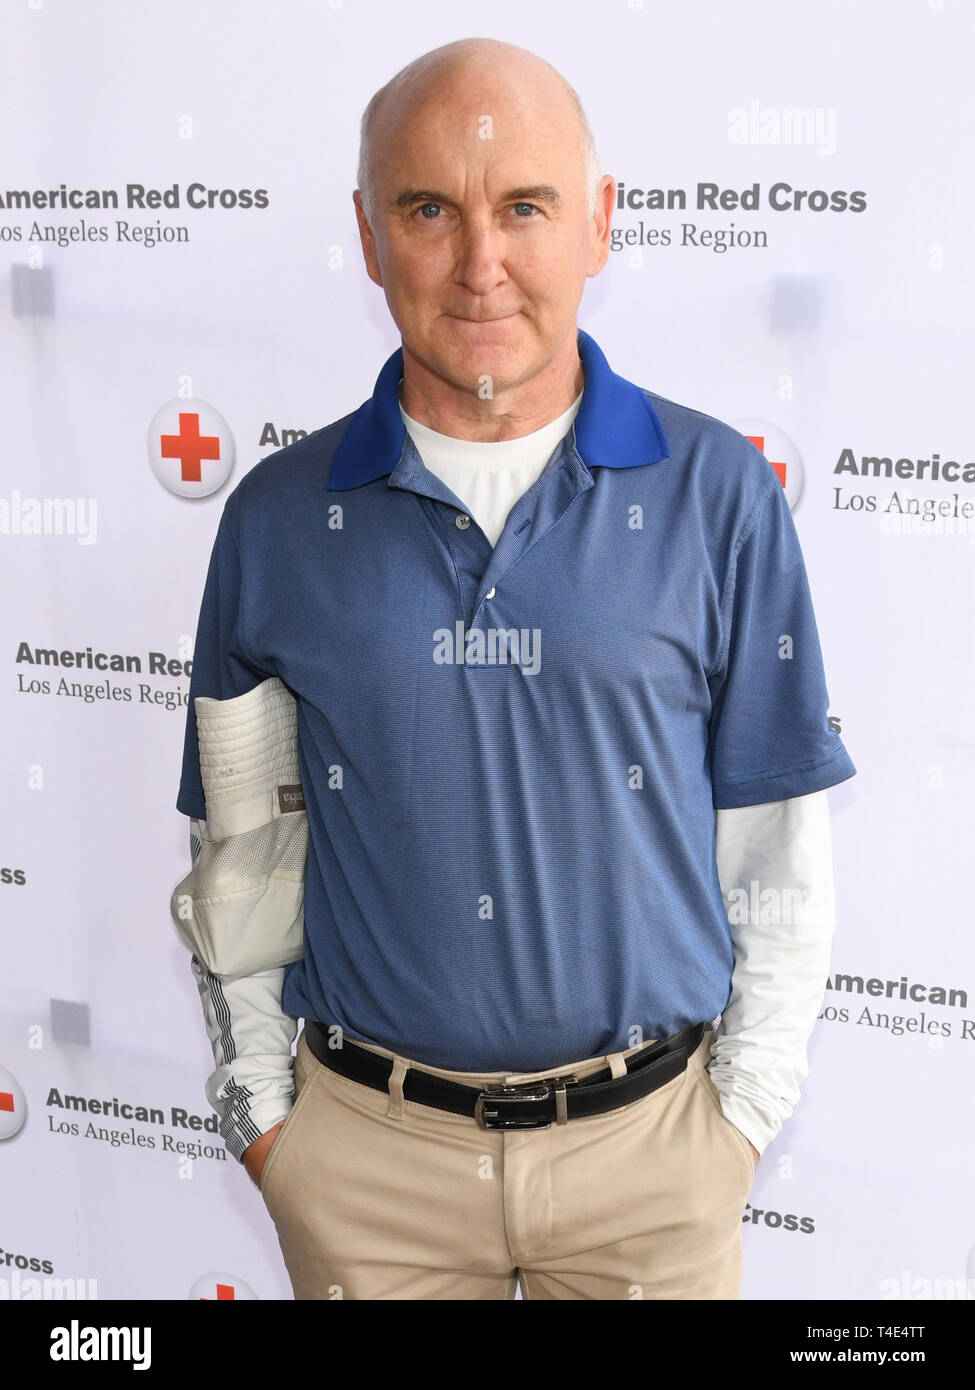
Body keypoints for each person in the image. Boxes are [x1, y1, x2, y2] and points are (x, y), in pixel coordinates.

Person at [170, 36, 856, 1301]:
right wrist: (269, 1122)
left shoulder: (716, 495)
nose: (480, 262)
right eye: (429, 210)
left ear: (600, 223)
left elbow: (777, 847)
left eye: (525, 207)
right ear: (369, 235)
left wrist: (737, 1122)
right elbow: (243, 850)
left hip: (653, 1171)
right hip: (368, 1179)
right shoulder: (277, 518)